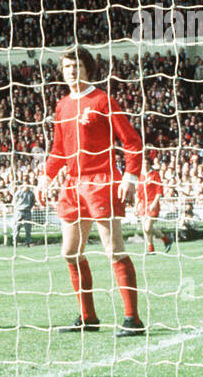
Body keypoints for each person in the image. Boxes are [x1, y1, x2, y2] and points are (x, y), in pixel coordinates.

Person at [36, 45, 145, 336]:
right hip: (72, 185)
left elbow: (132, 142)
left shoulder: (102, 100)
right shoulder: (62, 105)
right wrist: (46, 177)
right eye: (67, 67)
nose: (72, 72)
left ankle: (132, 319)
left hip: (101, 181)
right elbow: (59, 149)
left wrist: (130, 176)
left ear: (87, 69)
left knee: (113, 249)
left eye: (77, 66)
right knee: (70, 252)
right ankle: (88, 317)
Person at [140, 155, 171, 253]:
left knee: (148, 227)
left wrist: (154, 203)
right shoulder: (140, 176)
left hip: (153, 203)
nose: (145, 165)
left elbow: (159, 192)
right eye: (143, 163)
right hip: (143, 204)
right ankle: (151, 249)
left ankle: (166, 239)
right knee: (145, 229)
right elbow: (139, 192)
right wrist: (136, 205)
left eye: (147, 163)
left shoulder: (154, 175)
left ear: (150, 164)